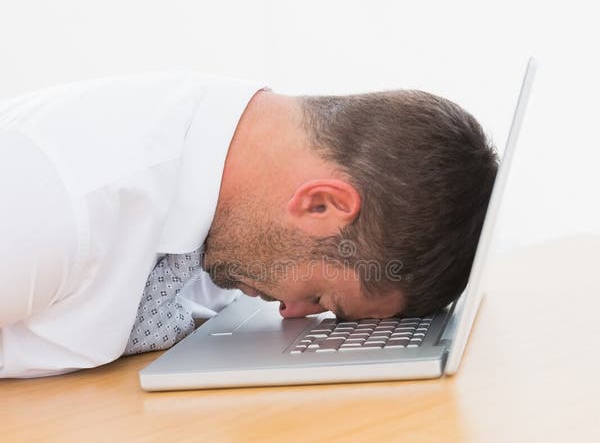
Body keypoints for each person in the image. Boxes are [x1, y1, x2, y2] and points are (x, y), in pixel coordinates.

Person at [0, 70, 498, 379]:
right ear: (321, 204)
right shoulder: (54, 202)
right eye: (323, 299)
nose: (291, 312)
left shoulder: (232, 190)